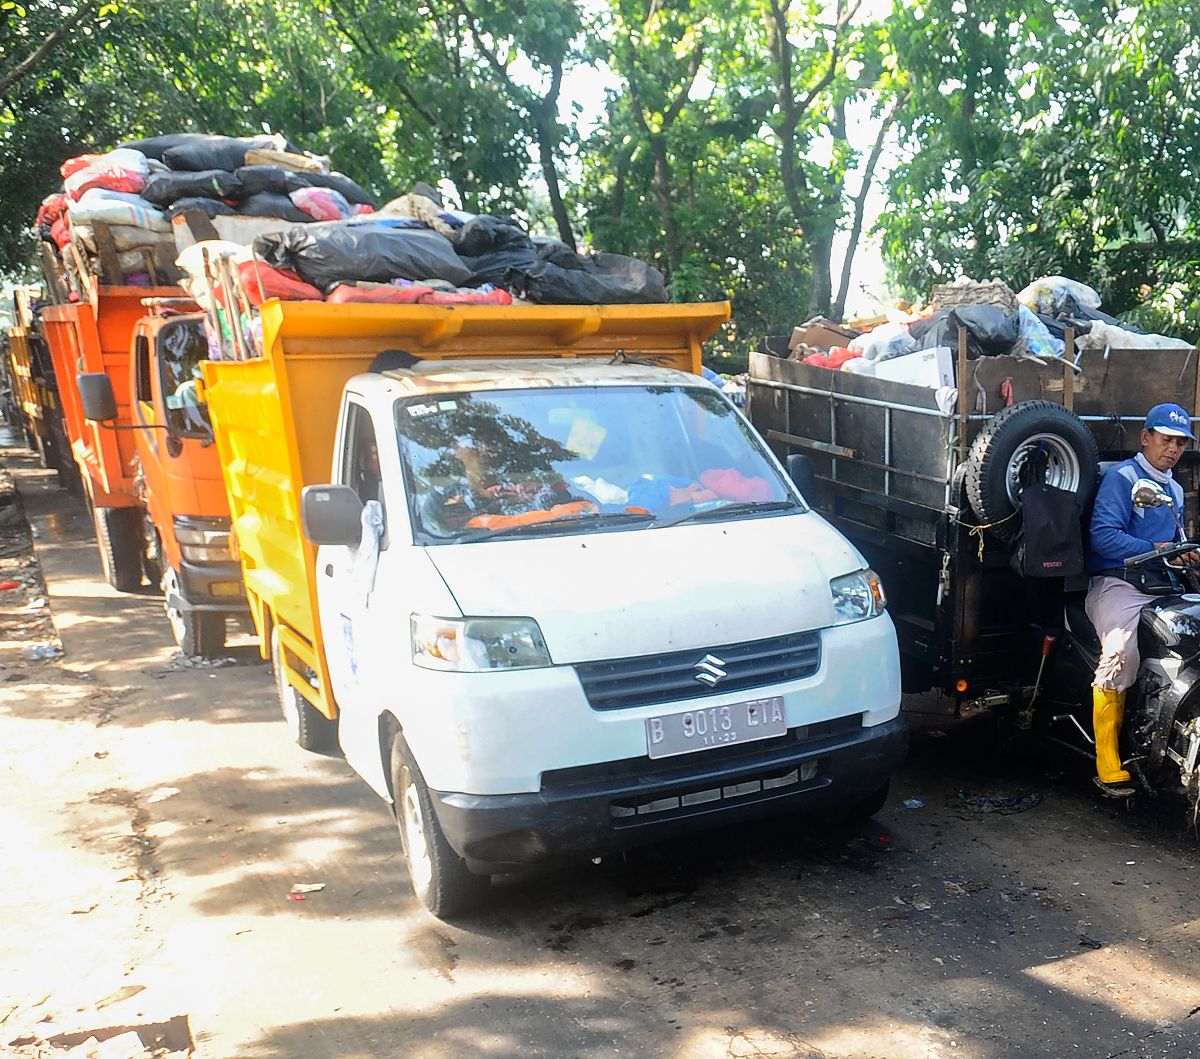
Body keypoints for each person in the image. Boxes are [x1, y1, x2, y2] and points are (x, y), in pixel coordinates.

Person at [1084, 403, 1198, 795]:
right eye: (1166, 439)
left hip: (1164, 585)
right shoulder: (1123, 478)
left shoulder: (1175, 489)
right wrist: (1159, 547)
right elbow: (1102, 536)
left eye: (1181, 442)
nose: (1173, 449)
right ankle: (1108, 760)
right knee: (1121, 654)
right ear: (1145, 437)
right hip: (1119, 584)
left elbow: (1177, 541)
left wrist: (1184, 552)